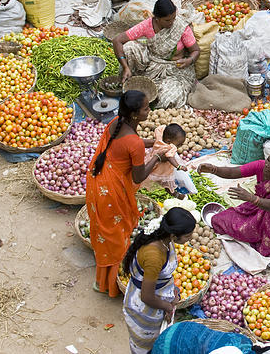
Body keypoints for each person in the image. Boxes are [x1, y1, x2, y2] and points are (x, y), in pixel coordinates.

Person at [85, 90, 162, 297]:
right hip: (111, 191)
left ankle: (104, 276)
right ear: (135, 114)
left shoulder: (116, 122)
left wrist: (154, 143)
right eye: (146, 108)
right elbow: (138, 177)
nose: (149, 110)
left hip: (97, 182)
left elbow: (127, 146)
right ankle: (108, 285)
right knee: (116, 239)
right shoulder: (133, 142)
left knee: (107, 234)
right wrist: (157, 157)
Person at [197, 148, 270, 258]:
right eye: (268, 160)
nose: (267, 165)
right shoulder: (261, 166)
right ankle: (258, 232)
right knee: (221, 220)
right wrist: (213, 169)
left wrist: (252, 198)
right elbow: (234, 172)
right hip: (260, 207)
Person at [121, 206, 196, 354]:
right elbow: (147, 296)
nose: (190, 239)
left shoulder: (163, 238)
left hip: (156, 297)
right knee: (145, 346)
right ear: (174, 236)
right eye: (188, 236)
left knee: (157, 341)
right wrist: (168, 307)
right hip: (144, 307)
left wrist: (172, 292)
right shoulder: (154, 256)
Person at [112, 0, 199, 109]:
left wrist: (189, 60)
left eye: (173, 18)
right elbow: (117, 40)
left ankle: (157, 96)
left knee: (169, 98)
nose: (172, 22)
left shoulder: (181, 27)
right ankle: (130, 80)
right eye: (167, 20)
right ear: (157, 18)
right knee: (129, 47)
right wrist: (125, 67)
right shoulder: (147, 25)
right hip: (151, 63)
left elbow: (196, 51)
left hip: (175, 70)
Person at [144, 123, 200, 195]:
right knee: (165, 181)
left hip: (152, 160)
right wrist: (178, 166)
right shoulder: (169, 148)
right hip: (162, 167)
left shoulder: (160, 138)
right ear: (168, 141)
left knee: (156, 179)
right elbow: (170, 157)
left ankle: (170, 190)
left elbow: (160, 128)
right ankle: (175, 194)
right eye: (179, 144)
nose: (180, 146)